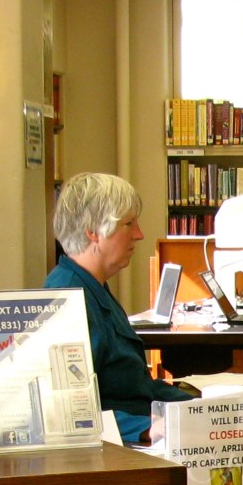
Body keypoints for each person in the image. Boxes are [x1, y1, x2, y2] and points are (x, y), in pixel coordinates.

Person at [45, 172, 195, 443]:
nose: (139, 234)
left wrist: (199, 405)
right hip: (121, 445)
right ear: (93, 231)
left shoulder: (91, 285)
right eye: (128, 224)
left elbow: (137, 387)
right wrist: (143, 428)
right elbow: (69, 408)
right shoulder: (67, 299)